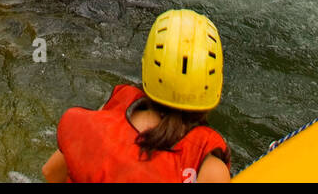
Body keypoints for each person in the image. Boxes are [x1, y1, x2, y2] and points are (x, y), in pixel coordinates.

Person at [42, 9, 231, 184]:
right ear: (216, 84)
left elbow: (50, 173)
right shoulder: (210, 168)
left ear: (146, 67)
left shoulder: (109, 114)